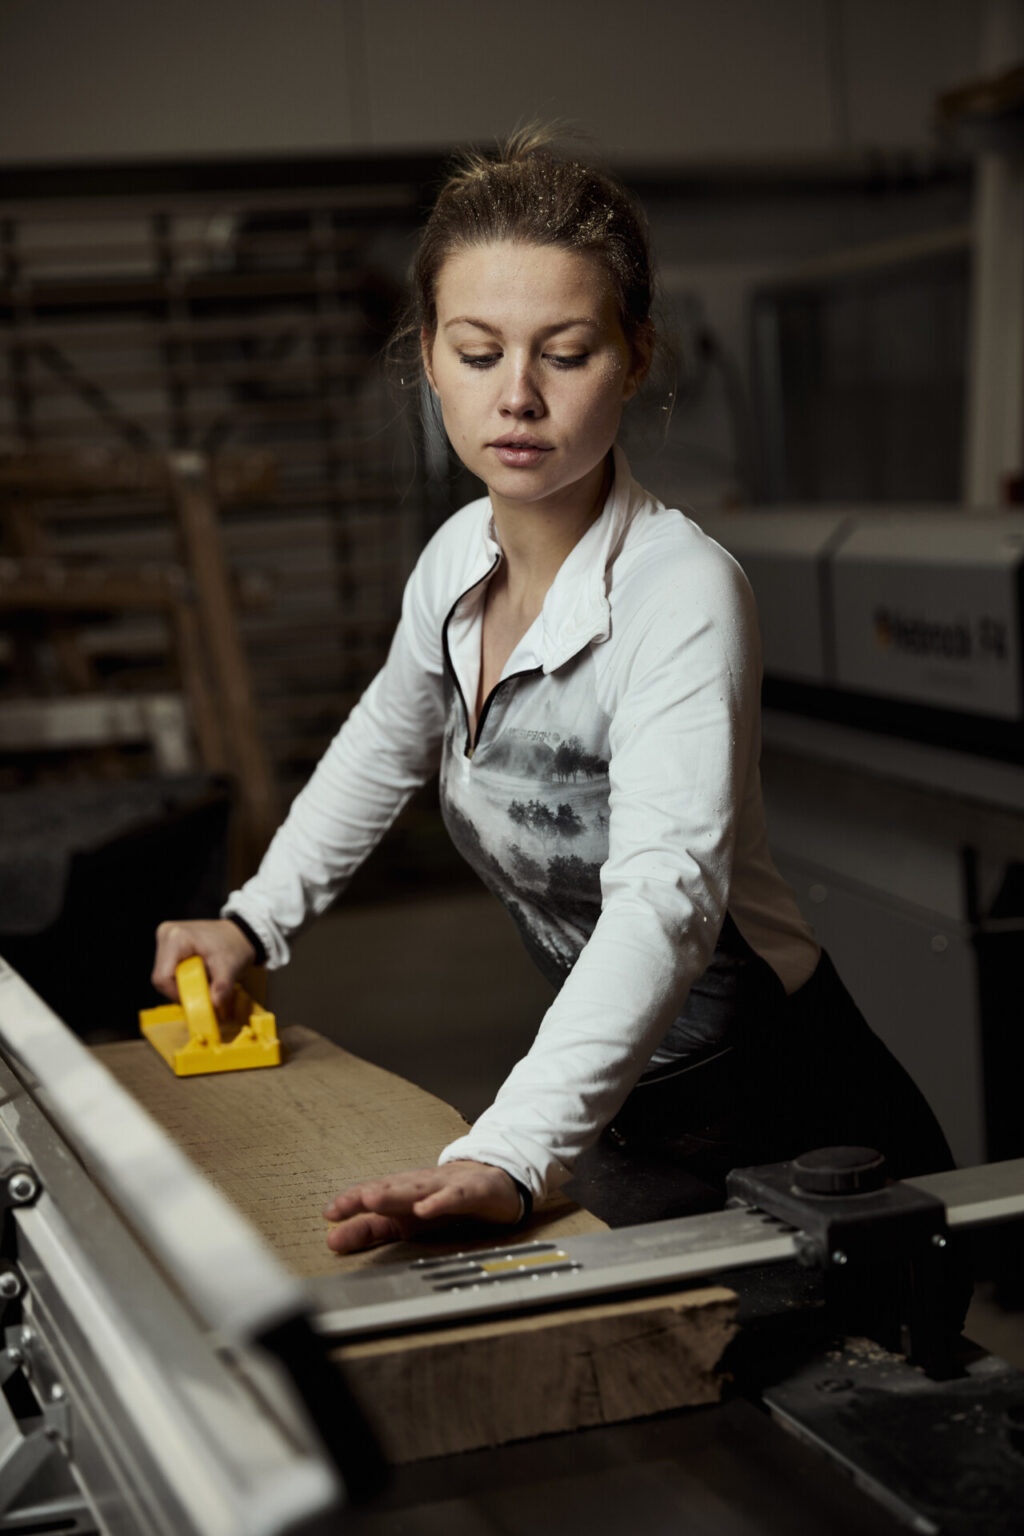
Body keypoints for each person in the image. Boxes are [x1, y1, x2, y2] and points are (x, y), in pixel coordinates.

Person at [152, 130, 954, 1254]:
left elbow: (668, 897)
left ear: (633, 358)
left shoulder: (679, 592)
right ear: (428, 359)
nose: (516, 397)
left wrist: (512, 1146)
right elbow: (383, 742)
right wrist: (252, 919)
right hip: (621, 1087)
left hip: (782, 1103)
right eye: (478, 353)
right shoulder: (453, 562)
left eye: (565, 353)